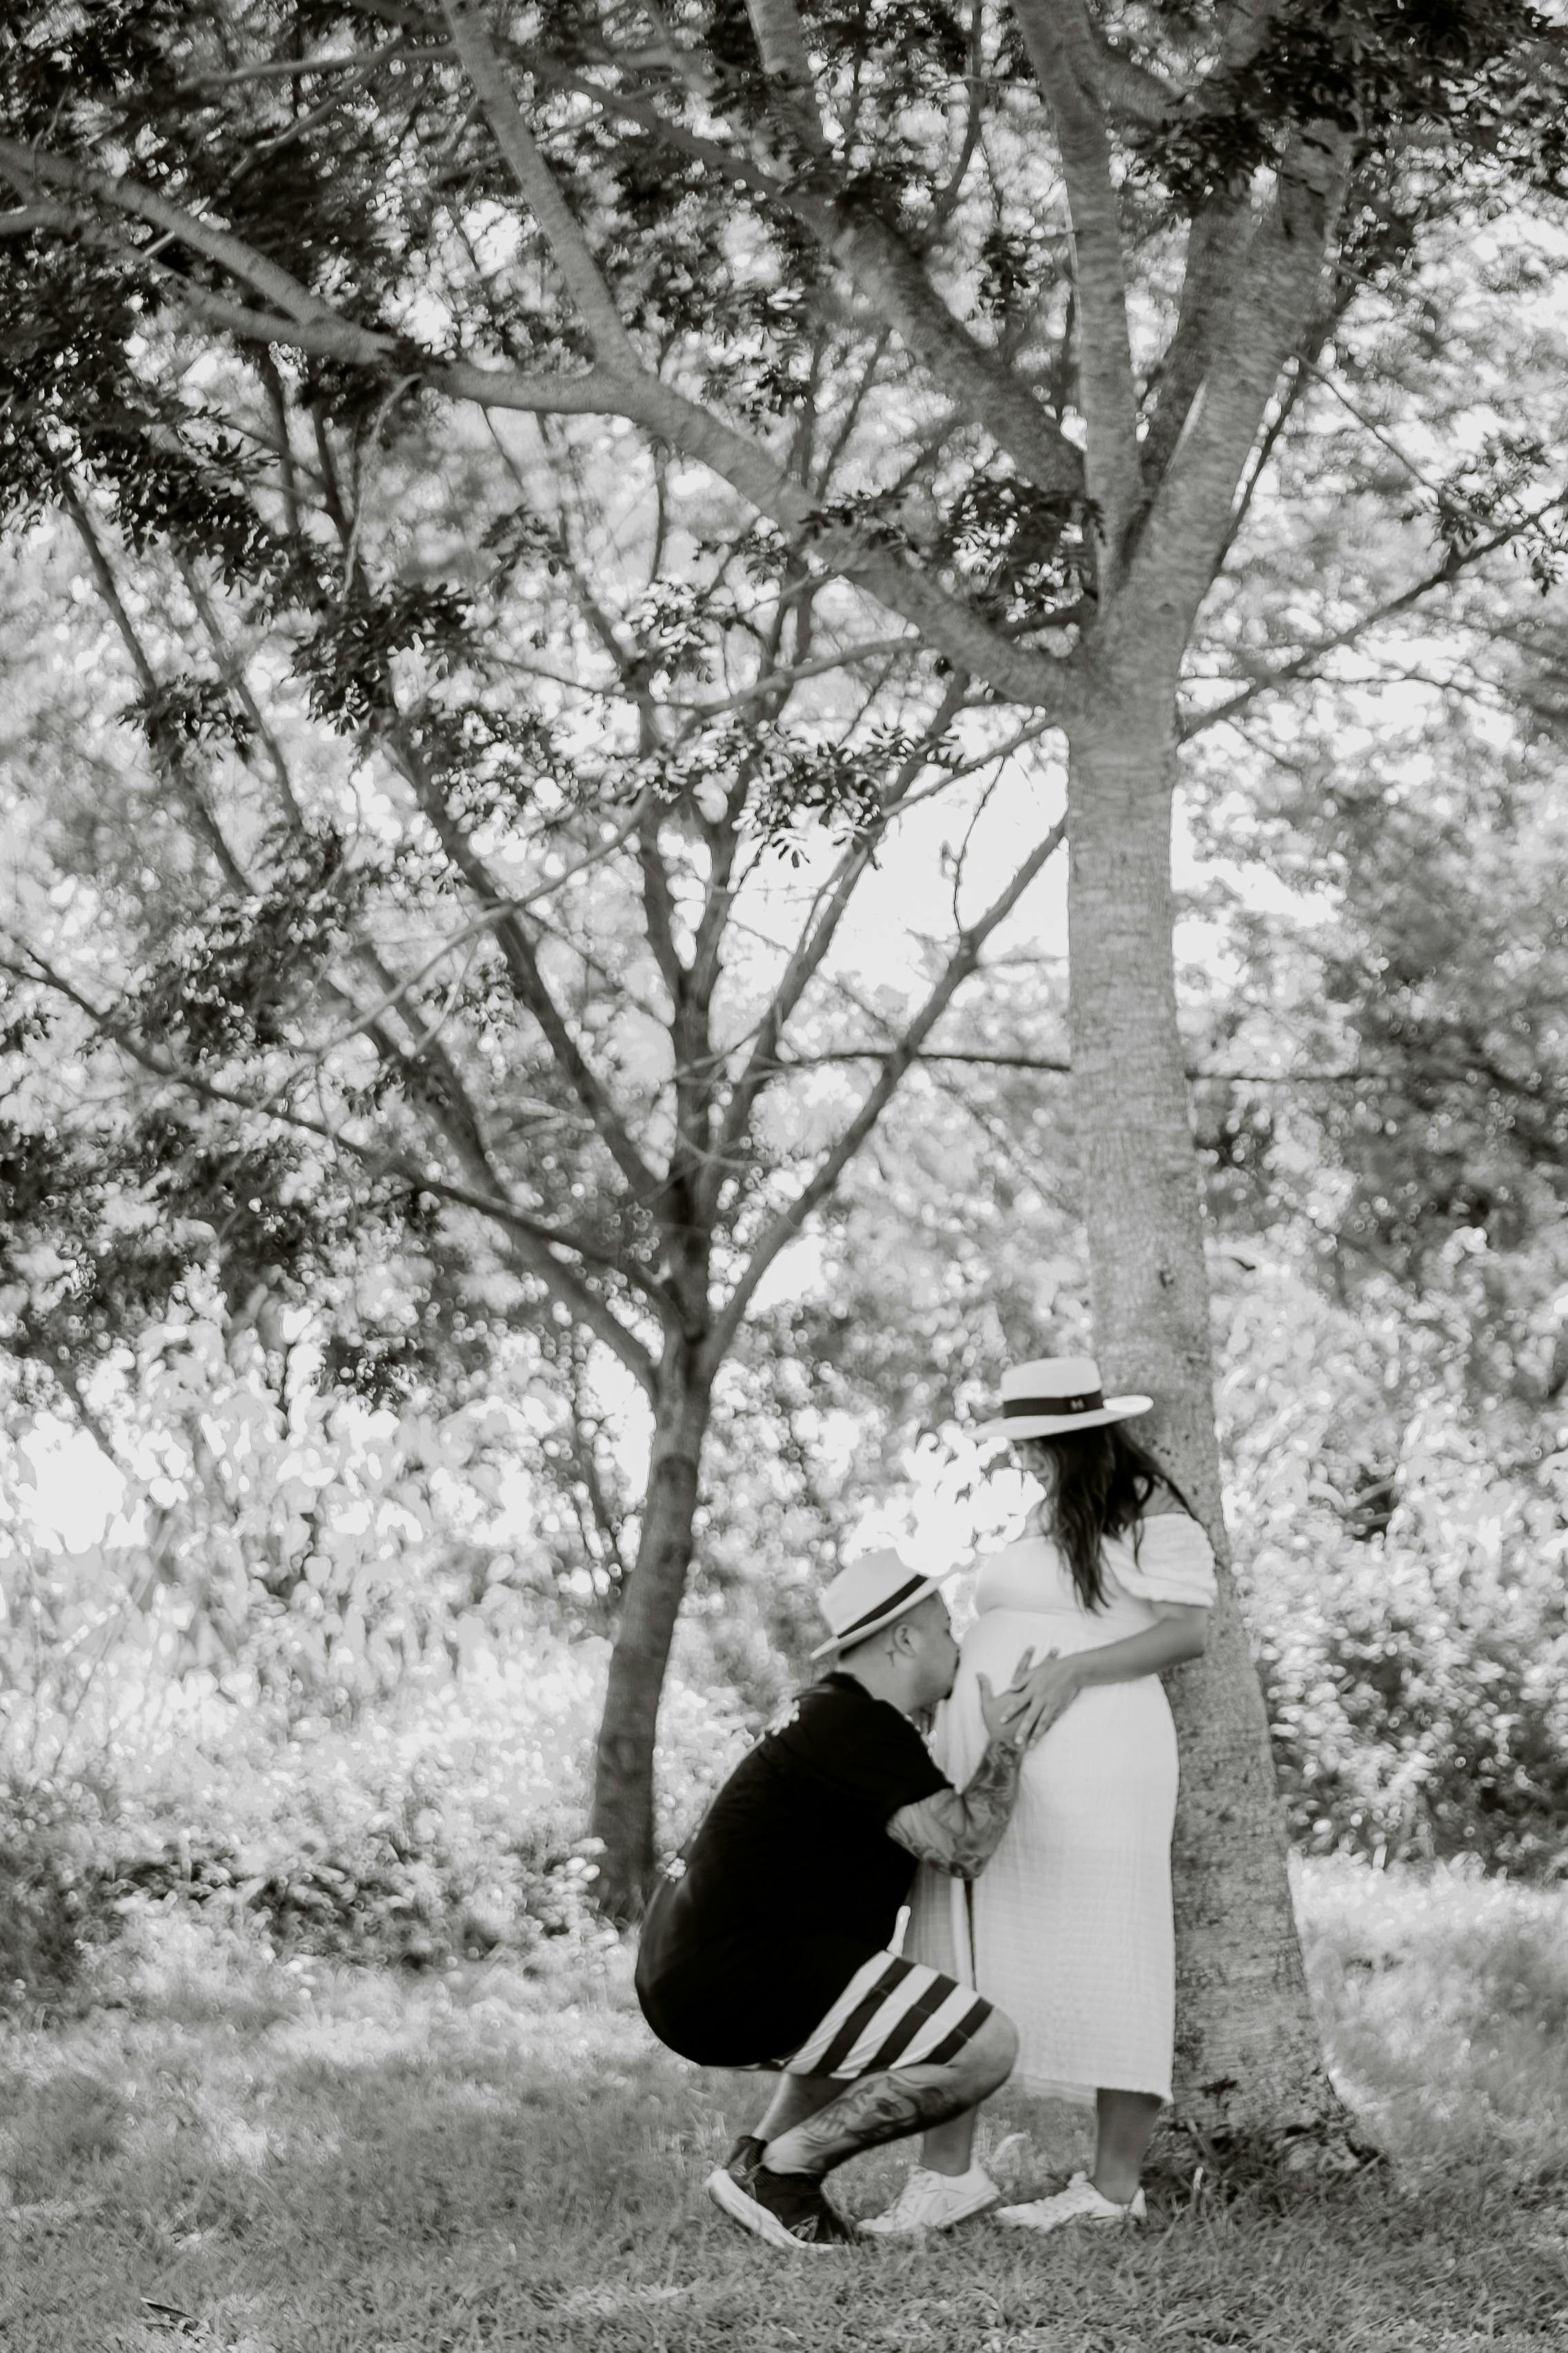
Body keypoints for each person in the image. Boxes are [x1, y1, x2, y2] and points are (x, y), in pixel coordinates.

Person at [863, 1355, 1216, 2240]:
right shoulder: (1039, 1508)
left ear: (1079, 1436)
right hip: (987, 1754)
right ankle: (946, 2175)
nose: (1021, 1455)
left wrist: (1070, 1670)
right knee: (959, 1947)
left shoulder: (1144, 1506)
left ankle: (1112, 2189)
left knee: (1112, 1942)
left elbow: (1187, 1631)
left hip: (1098, 1755)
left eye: (1035, 1440)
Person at [634, 1548, 1046, 2252]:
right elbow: (963, 1847)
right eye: (944, 1628)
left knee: (855, 2009)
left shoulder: (827, 1715)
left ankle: (754, 2163)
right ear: (904, 1639)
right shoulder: (860, 1726)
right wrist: (1005, 1742)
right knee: (983, 2048)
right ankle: (787, 2171)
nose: (955, 1644)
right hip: (727, 1977)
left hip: (694, 1971)